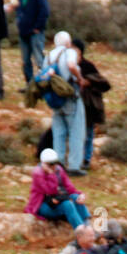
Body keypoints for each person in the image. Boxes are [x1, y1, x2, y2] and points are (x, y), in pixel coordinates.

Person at [44, 31, 86, 173]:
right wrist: (80, 78)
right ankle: (74, 166)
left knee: (58, 132)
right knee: (76, 131)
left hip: (55, 99)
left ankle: (58, 164)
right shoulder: (69, 52)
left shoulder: (49, 56)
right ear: (68, 43)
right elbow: (71, 65)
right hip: (70, 97)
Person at [26, 147, 90, 226]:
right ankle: (82, 232)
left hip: (58, 200)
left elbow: (69, 187)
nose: (54, 166)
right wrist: (51, 173)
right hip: (44, 205)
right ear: (43, 163)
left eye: (55, 162)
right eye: (50, 164)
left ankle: (87, 224)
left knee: (75, 198)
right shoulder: (38, 173)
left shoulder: (59, 169)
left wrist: (80, 194)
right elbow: (50, 191)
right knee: (67, 204)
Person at [73, 36, 110, 170]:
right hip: (71, 106)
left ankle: (86, 160)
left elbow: (103, 84)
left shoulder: (88, 66)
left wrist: (88, 81)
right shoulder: (65, 64)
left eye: (74, 49)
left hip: (88, 107)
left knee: (88, 135)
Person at [9, 0, 50, 86]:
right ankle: (30, 85)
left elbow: (44, 12)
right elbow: (21, 8)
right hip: (24, 31)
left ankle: (44, 84)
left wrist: (37, 27)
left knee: (39, 59)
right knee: (26, 60)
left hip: (35, 32)